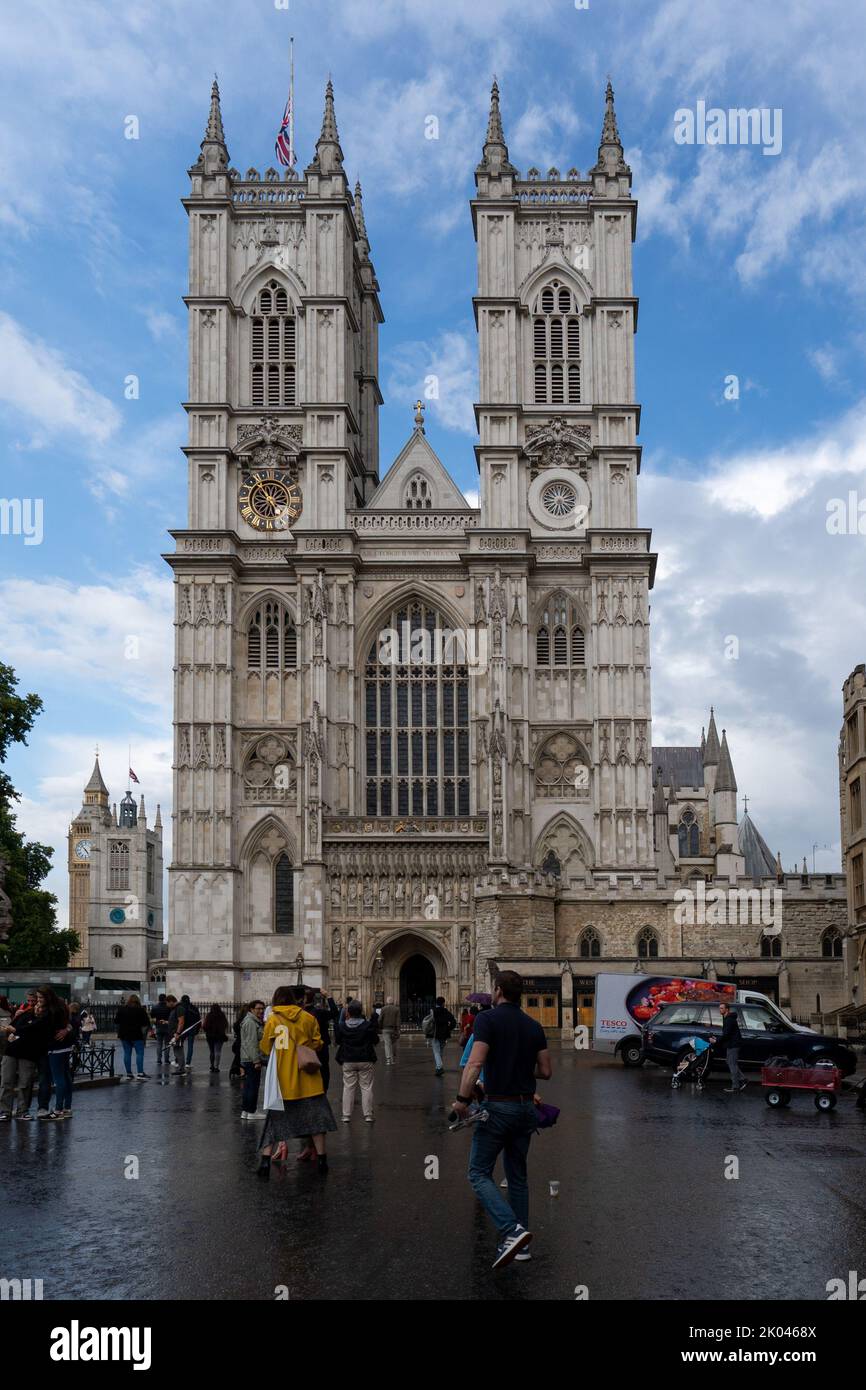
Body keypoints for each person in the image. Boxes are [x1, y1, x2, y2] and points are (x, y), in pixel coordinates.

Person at [452, 970, 552, 1271]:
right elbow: (545, 1071)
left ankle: (512, 1230)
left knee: (478, 1172)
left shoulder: (487, 1019)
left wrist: (462, 1099)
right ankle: (522, 1248)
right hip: (526, 1108)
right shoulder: (534, 1025)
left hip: (499, 1107)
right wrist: (519, 1068)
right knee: (517, 1176)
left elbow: (475, 1063)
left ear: (497, 991)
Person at [257, 985, 336, 1177]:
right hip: (309, 1080)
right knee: (316, 1122)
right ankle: (322, 1160)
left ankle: (265, 1163)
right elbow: (318, 1043)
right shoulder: (308, 1018)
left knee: (274, 1122)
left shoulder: (273, 1019)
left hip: (283, 1081)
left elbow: (265, 1047)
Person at [0, 989, 57, 1120]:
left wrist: (16, 1031)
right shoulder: (24, 1014)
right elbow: (10, 1028)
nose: (36, 1007)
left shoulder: (45, 1019)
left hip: (28, 1053)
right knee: (6, 1081)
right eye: (35, 1005)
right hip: (11, 1051)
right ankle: (5, 1111)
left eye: (39, 1005)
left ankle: (22, 1111)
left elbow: (31, 1030)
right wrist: (10, 1033)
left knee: (25, 1083)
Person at [336, 1000, 379, 1123]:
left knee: (348, 1087)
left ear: (348, 1012)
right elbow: (375, 1040)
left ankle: (346, 1115)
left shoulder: (342, 1026)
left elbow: (338, 1041)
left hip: (348, 1058)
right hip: (365, 1058)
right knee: (366, 1087)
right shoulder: (367, 1025)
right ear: (361, 1012)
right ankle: (368, 1115)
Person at [47, 992, 77, 1118]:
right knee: (66, 1077)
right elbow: (71, 1025)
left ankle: (58, 1109)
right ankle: (67, 1107)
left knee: (59, 1079)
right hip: (66, 1047)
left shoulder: (53, 1016)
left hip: (55, 1049)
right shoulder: (64, 1017)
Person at [303, 989, 333, 1093]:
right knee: (323, 1070)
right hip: (321, 1046)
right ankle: (323, 1090)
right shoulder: (319, 1012)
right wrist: (328, 996)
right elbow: (334, 1012)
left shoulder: (300, 1013)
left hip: (305, 1047)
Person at [239, 1000, 265, 1119]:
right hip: (251, 1058)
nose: (261, 1011)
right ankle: (251, 1111)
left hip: (248, 1057)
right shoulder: (251, 1022)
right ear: (251, 1009)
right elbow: (251, 1043)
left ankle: (246, 1111)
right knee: (253, 1086)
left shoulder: (252, 1021)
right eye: (258, 1008)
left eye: (262, 1008)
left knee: (248, 1085)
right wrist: (256, 1061)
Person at [115, 994, 151, 1080]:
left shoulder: (122, 1009)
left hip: (124, 1034)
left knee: (127, 1053)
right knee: (139, 1053)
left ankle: (129, 1073)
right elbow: (146, 1024)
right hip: (137, 1034)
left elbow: (116, 1021)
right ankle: (140, 1073)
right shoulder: (141, 1010)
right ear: (138, 1001)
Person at [718, 1002, 747, 1092]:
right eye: (719, 1008)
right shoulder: (727, 1018)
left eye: (722, 1008)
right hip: (731, 1044)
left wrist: (716, 1041)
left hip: (733, 1045)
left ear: (727, 1009)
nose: (720, 1010)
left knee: (732, 1064)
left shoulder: (729, 1020)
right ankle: (743, 1079)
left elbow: (726, 1034)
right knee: (729, 1062)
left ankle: (735, 1086)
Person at [170, 994, 200, 1072]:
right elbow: (198, 1019)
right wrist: (197, 1030)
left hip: (183, 1029)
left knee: (179, 1045)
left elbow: (179, 1020)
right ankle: (188, 1062)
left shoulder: (181, 1007)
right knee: (190, 1046)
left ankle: (177, 1061)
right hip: (192, 1028)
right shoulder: (194, 1008)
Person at [430, 996, 457, 1075]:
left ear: (436, 1003)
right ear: (443, 1003)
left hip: (435, 1034)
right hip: (444, 1034)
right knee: (440, 1051)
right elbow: (453, 1021)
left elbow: (429, 1022)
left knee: (436, 1051)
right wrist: (449, 1028)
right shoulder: (446, 1011)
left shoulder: (433, 1011)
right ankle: (438, 1068)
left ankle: (439, 1067)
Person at [204, 1004, 229, 1072]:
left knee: (212, 1051)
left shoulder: (209, 1015)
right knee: (218, 1051)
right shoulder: (222, 1015)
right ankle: (216, 1066)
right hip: (220, 1036)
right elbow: (225, 1024)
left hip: (210, 1036)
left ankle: (212, 1065)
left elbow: (205, 1026)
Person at [378, 995, 400, 1065]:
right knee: (393, 1044)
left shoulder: (383, 1009)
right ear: (392, 1001)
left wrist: (380, 1027)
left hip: (385, 1029)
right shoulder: (396, 1009)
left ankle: (388, 1059)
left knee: (387, 1044)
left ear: (387, 1001)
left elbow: (380, 1019)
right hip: (393, 1029)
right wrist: (398, 1029)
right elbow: (398, 1020)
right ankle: (393, 1060)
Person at [151, 994, 172, 1066]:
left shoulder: (155, 1007)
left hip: (159, 1027)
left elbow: (152, 1018)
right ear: (165, 999)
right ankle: (166, 1059)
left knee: (159, 1044)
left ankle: (159, 1060)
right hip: (167, 1027)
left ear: (159, 999)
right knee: (167, 1044)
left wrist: (156, 1023)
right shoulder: (169, 1007)